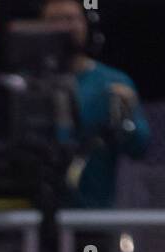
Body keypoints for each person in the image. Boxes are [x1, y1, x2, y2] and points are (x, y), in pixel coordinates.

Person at [40, 0, 150, 212]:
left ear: (86, 24)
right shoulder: (23, 84)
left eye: (71, 19)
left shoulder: (111, 83)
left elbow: (139, 146)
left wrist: (124, 117)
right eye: (55, 20)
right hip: (34, 216)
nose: (65, 26)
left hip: (93, 213)